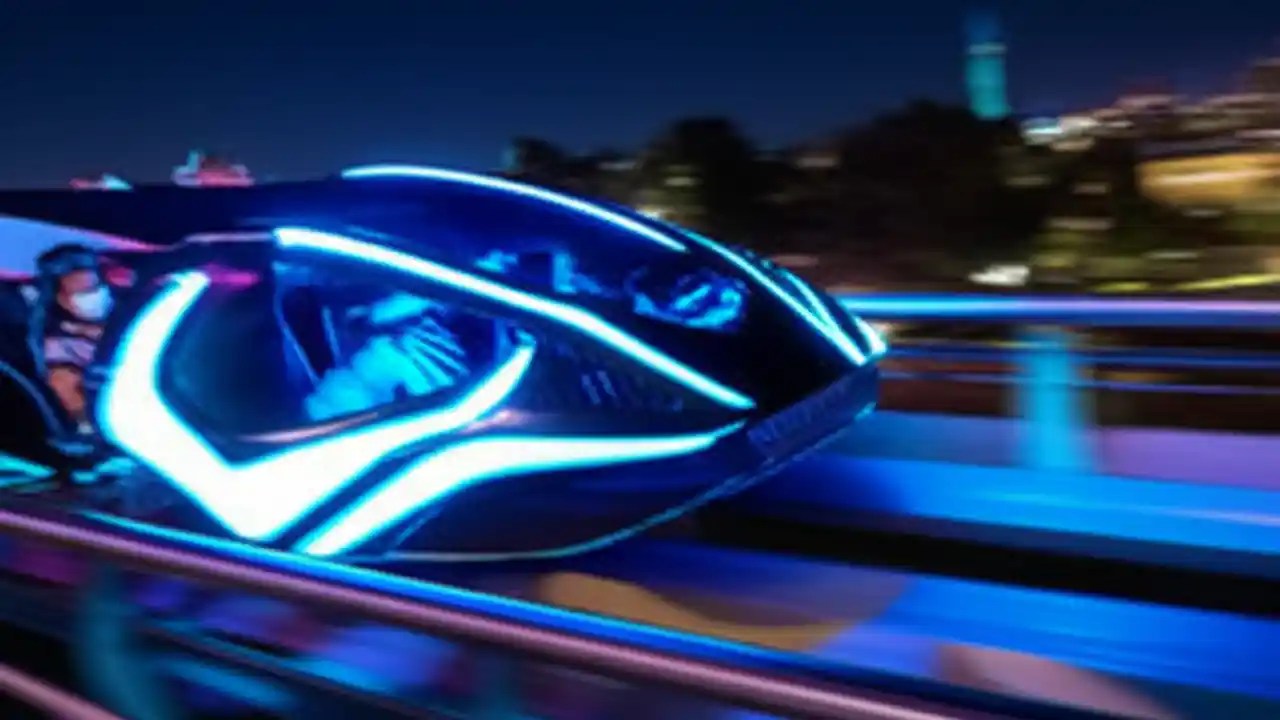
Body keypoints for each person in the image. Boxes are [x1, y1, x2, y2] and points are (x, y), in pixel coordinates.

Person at [34, 243, 113, 436]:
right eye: (83, 293)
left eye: (95, 288)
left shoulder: (126, 312)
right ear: (61, 298)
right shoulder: (60, 348)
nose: (94, 297)